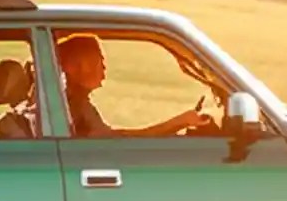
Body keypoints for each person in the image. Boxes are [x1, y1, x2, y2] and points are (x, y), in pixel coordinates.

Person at [55, 34, 210, 137]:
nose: (104, 66)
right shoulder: (73, 109)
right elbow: (117, 142)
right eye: (97, 59)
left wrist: (178, 123)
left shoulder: (73, 104)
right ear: (72, 66)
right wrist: (178, 122)